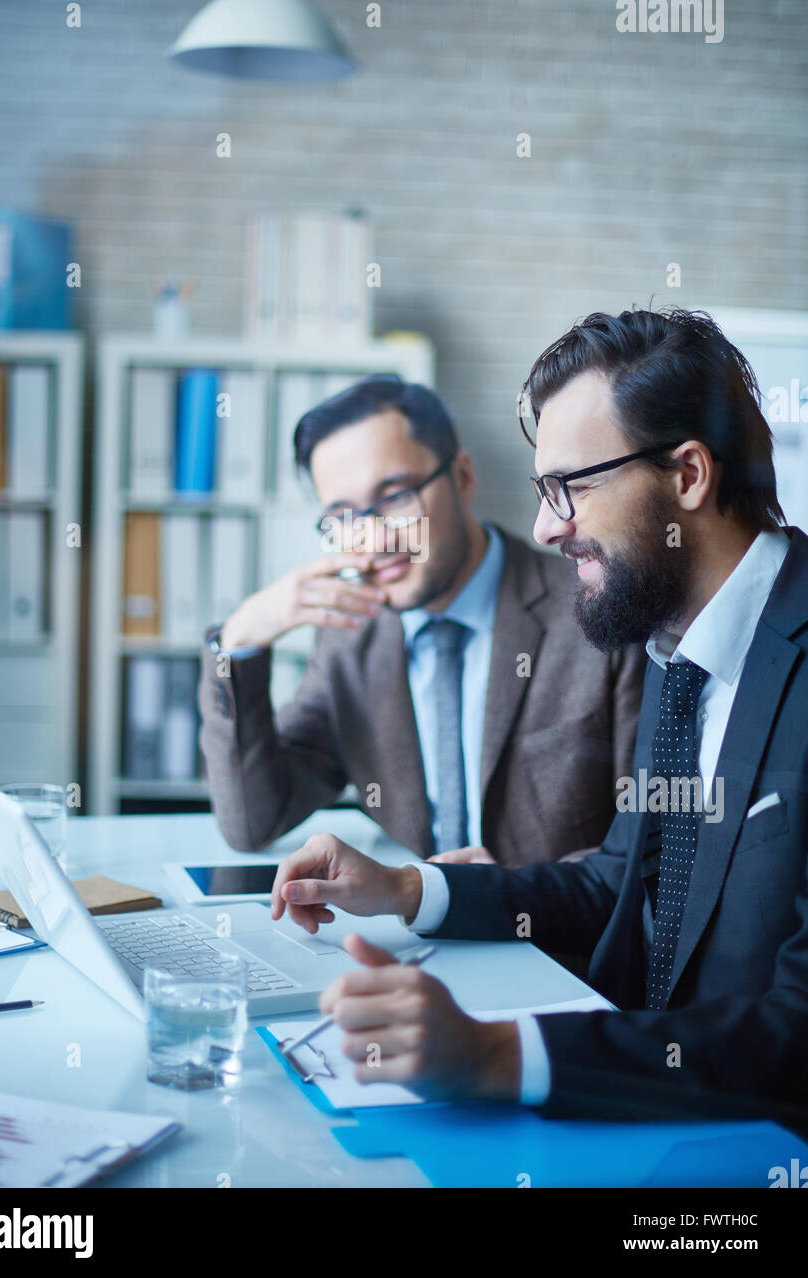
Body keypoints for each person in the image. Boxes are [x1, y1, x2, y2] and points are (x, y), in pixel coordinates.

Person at [268, 310, 808, 1128]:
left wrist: (498, 1056)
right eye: (542, 492)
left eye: (574, 487)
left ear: (688, 476)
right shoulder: (678, 645)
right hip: (642, 1109)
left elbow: (797, 1029)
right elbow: (613, 882)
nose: (549, 527)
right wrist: (408, 889)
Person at [198, 375, 645, 867]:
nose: (373, 540)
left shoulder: (597, 611)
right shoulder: (352, 637)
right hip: (411, 936)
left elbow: (645, 850)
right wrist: (240, 640)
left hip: (556, 940)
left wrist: (504, 897)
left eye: (394, 499)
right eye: (343, 516)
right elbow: (252, 821)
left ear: (464, 478)